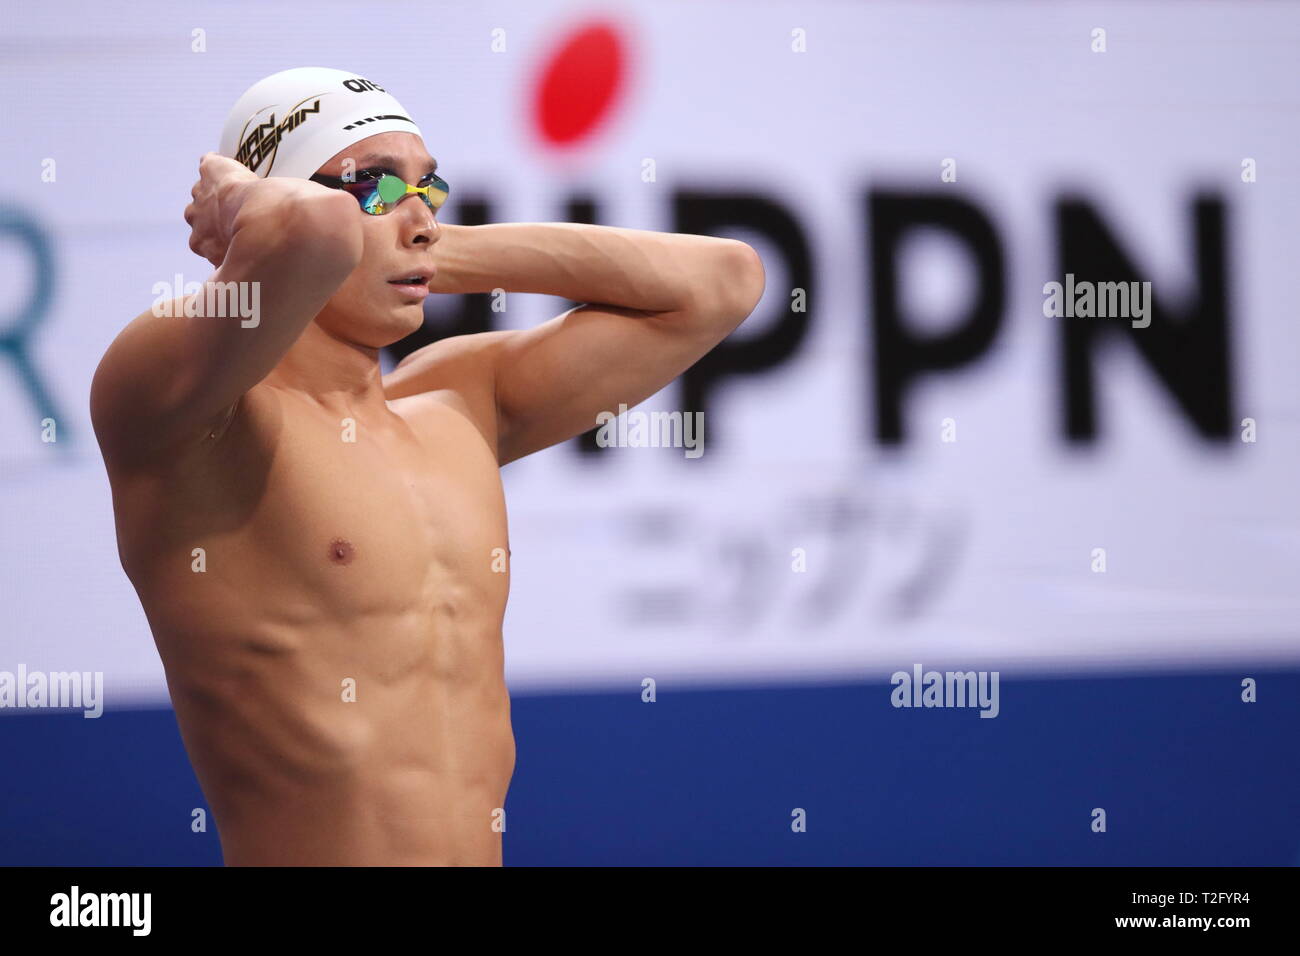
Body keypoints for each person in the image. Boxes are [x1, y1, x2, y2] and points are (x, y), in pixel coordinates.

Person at [89, 67, 764, 865]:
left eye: (429, 189)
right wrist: (260, 220)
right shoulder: (186, 420)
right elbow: (313, 237)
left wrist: (428, 247)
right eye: (372, 186)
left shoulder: (457, 407)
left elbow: (725, 282)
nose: (418, 218)